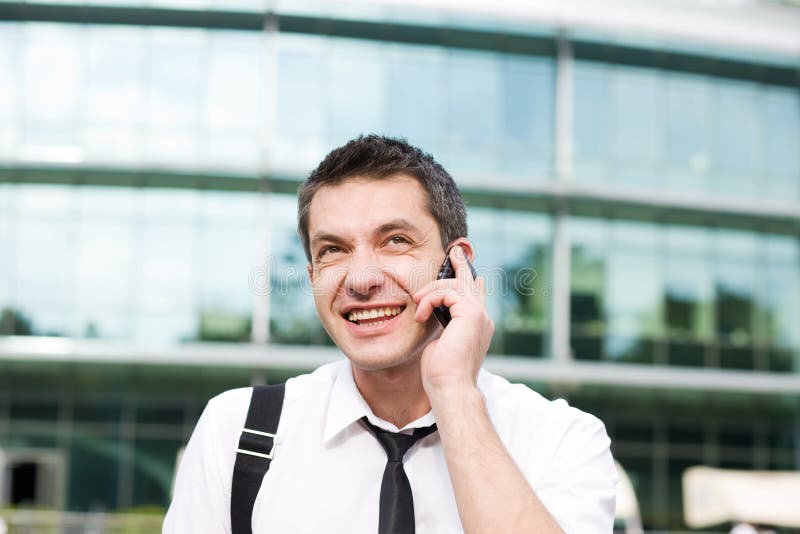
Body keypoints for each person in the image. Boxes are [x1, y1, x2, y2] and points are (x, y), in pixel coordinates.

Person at [163, 135, 617, 533]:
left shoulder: (562, 440)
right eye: (333, 250)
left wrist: (454, 393)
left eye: (395, 241)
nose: (360, 279)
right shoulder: (237, 431)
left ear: (455, 264)